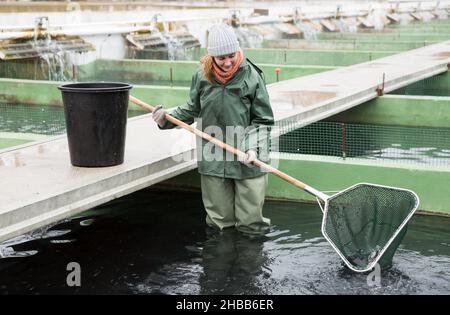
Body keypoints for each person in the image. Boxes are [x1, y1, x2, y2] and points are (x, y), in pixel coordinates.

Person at [152, 23, 274, 235]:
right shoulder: (201, 76)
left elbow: (263, 120)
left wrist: (252, 148)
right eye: (221, 58)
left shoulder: (252, 76)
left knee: (251, 224)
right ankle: (220, 261)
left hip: (248, 155)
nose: (228, 63)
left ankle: (250, 265)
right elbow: (192, 109)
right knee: (219, 222)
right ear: (212, 57)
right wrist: (166, 119)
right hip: (213, 156)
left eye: (231, 56)